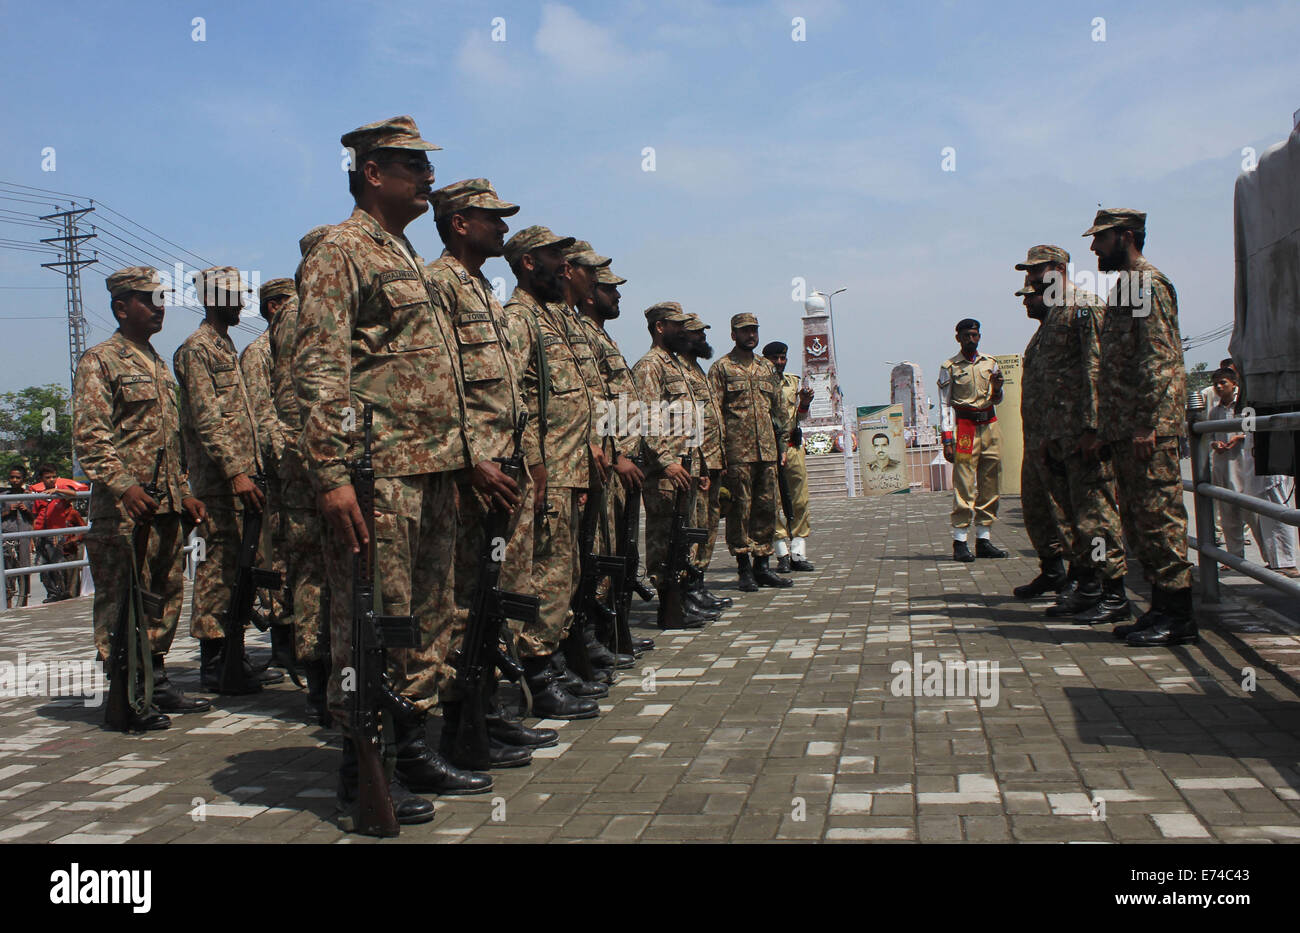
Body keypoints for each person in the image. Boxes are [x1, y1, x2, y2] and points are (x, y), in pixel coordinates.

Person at [424, 178, 559, 765]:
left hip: (504, 471)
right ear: (459, 223)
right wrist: (464, 461)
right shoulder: (438, 284)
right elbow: (435, 383)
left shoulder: (481, 287)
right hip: (471, 476)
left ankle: (489, 711)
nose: (502, 228)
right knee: (461, 603)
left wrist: (528, 460)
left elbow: (511, 395)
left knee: (495, 597)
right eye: (491, 218)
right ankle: (461, 722)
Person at [74, 266, 212, 728]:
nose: (159, 308)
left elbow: (170, 439)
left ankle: (154, 677)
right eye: (149, 300)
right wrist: (123, 485)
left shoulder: (156, 361)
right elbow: (92, 438)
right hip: (124, 511)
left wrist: (186, 492)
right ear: (121, 306)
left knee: (164, 594)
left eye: (161, 299)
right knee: (123, 599)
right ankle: (125, 693)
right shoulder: (101, 360)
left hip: (165, 506)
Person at [501, 225, 605, 717]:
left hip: (570, 467)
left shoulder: (553, 317)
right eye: (553, 258)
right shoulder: (520, 318)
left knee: (564, 571)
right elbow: (514, 399)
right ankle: (536, 675)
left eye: (568, 260)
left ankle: (554, 659)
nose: (563, 268)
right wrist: (535, 464)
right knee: (542, 574)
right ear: (527, 263)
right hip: (547, 471)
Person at [1084, 208, 1196, 645]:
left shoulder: (1147, 284)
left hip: (1147, 433)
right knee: (1138, 523)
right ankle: (1161, 608)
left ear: (1127, 237)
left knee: (1160, 520)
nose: (1093, 248)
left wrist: (1150, 424)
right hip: (1126, 433)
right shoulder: (1125, 288)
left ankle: (1181, 616)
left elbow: (1161, 357)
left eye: (1101, 239)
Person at [174, 267, 284, 694]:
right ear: (213, 299)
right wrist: (236, 471)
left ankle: (234, 656)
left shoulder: (225, 346)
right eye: (234, 297)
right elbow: (206, 419)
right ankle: (216, 663)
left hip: (243, 478)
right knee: (218, 570)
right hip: (220, 482)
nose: (241, 304)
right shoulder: (196, 349)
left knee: (241, 568)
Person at [1012, 245, 1127, 626]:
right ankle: (1090, 587)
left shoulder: (1084, 307)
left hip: (1083, 439)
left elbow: (1097, 370)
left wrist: (1094, 429)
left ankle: (1113, 592)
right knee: (1079, 520)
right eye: (1028, 272)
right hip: (1059, 440)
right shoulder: (1054, 316)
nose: (1031, 278)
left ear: (1060, 268)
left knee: (1097, 518)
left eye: (1038, 270)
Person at [579, 259, 664, 648]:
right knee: (599, 554)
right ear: (590, 294)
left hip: (622, 464)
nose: (617, 295)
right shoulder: (583, 334)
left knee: (619, 552)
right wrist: (616, 456)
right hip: (605, 465)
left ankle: (613, 633)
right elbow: (590, 404)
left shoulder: (604, 338)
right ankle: (597, 636)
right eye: (608, 289)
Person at [273, 230, 332, 723]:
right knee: (314, 577)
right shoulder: (297, 314)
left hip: (325, 464)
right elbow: (294, 400)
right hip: (309, 474)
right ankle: (318, 679)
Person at [632, 303, 721, 625]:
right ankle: (668, 607)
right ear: (659, 327)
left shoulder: (677, 365)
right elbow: (644, 419)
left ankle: (683, 598)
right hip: (665, 472)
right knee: (665, 539)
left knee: (683, 538)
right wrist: (667, 462)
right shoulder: (649, 366)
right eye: (676, 325)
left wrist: (701, 465)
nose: (683, 331)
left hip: (688, 468)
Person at [708, 313, 792, 590]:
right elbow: (714, 414)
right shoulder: (721, 368)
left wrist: (782, 446)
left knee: (767, 509)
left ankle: (763, 565)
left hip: (766, 451)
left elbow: (779, 411)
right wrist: (718, 453)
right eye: (744, 331)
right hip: (737, 453)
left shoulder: (767, 369)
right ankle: (744, 568)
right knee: (739, 510)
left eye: (754, 330)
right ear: (733, 335)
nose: (751, 335)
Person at [240, 277, 295, 669]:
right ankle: (283, 643)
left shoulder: (297, 348)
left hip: (298, 476)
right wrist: (283, 461)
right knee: (277, 560)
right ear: (275, 307)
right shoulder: (260, 353)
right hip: (276, 476)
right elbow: (261, 415)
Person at [1207, 367, 1299, 576]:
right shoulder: (1215, 409)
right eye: (1217, 384)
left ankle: (1274, 558)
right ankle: (1234, 556)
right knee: (1228, 513)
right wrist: (1216, 444)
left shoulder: (1245, 405)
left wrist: (1237, 438)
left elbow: (1250, 432)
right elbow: (1210, 434)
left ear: (1234, 383)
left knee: (1255, 513)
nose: (1220, 387)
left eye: (1224, 383)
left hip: (1244, 464)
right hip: (1224, 464)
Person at [938, 319, 1007, 561]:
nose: (971, 339)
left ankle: (984, 538)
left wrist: (997, 389)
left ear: (980, 336)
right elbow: (945, 405)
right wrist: (947, 439)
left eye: (975, 335)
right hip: (965, 426)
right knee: (964, 485)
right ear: (958, 338)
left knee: (991, 481)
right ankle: (960, 541)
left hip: (989, 425)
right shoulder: (950, 366)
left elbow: (998, 398)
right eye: (966, 335)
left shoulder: (990, 363)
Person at [679, 314, 732, 610]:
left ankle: (700, 581)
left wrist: (720, 456)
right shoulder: (680, 372)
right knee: (695, 525)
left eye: (703, 334)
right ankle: (689, 584)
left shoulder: (700, 371)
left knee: (709, 524)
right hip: (695, 464)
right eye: (697, 334)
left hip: (712, 461)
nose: (702, 339)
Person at [763, 341, 815, 572]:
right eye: (775, 358)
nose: (779, 362)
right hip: (769, 449)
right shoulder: (759, 383)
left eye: (783, 358)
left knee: (799, 499)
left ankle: (798, 552)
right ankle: (781, 553)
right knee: (772, 501)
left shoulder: (792, 382)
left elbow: (800, 418)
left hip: (793, 447)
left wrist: (804, 403)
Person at [29, 465, 89, 601]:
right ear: (41, 479)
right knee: (41, 566)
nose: (51, 479)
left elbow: (74, 495)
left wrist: (56, 490)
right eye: (47, 477)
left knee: (58, 566)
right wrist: (32, 537)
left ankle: (62, 593)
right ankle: (52, 593)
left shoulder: (61, 492)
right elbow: (35, 516)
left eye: (53, 477)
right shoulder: (39, 494)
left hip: (56, 535)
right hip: (40, 535)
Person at [3, 465, 33, 608]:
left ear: (23, 479)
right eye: (12, 477)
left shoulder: (29, 496)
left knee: (25, 569)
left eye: (18, 477)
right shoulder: (4, 496)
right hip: (8, 537)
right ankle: (8, 604)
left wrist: (26, 510)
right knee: (8, 572)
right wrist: (8, 511)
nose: (14, 480)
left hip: (24, 538)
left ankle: (23, 603)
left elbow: (36, 518)